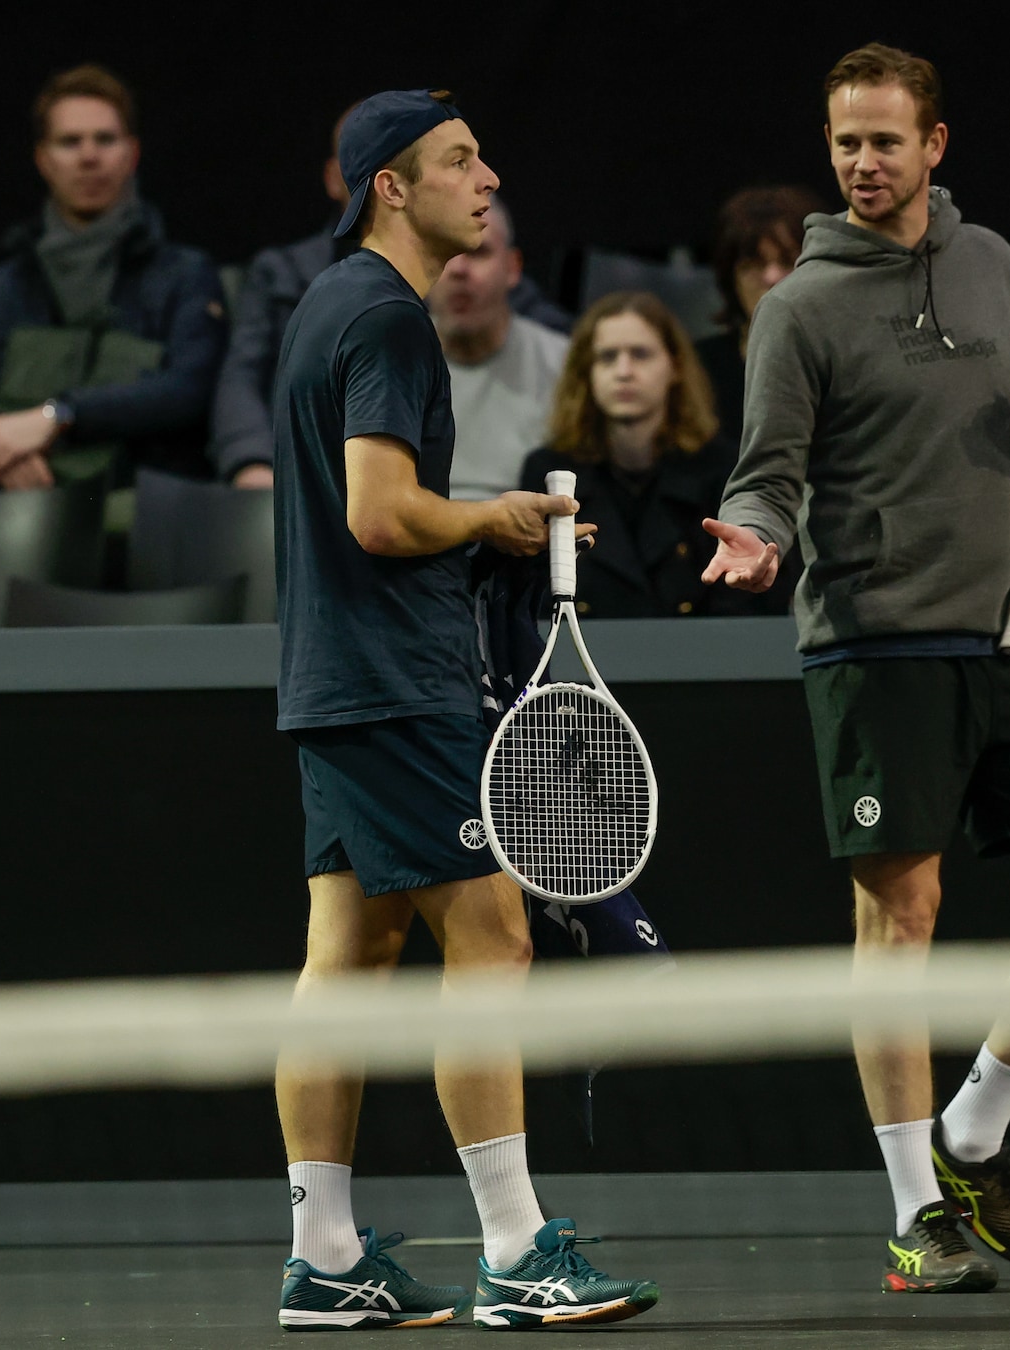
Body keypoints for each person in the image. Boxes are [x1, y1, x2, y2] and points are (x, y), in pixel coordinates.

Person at [702, 44, 1010, 1293]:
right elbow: (767, 471)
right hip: (874, 642)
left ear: (934, 146)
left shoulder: (997, 263)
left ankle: (971, 1133)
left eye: (886, 140)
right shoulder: (798, 306)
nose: (862, 162)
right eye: (845, 140)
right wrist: (756, 535)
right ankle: (917, 1211)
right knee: (900, 924)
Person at [270, 88, 657, 1331]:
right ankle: (514, 1249)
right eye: (458, 160)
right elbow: (380, 516)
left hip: (334, 681)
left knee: (352, 954)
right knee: (492, 938)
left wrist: (492, 518)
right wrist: (492, 519)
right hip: (394, 685)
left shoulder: (328, 306)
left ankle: (326, 1260)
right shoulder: (386, 318)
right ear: (391, 184)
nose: (486, 177)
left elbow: (380, 507)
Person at [211, 108, 571, 490]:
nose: (390, 186)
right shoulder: (292, 278)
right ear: (335, 179)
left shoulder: (510, 308)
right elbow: (242, 381)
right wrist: (254, 461)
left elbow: (544, 330)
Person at [0, 65, 227, 489]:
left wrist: (59, 416)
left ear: (132, 153)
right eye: (70, 142)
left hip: (144, 518)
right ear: (43, 160)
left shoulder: (185, 275)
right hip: (19, 514)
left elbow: (190, 392)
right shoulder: (0, 291)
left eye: (105, 139)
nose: (89, 156)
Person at [521, 290, 788, 616]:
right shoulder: (550, 473)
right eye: (607, 357)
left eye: (640, 354)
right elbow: (532, 602)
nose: (623, 371)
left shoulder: (722, 469)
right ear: (586, 373)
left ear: (675, 366)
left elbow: (743, 605)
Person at [432, 196, 570, 499]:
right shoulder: (386, 361)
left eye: (477, 252)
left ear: (512, 267)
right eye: (445, 253)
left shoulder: (565, 366)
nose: (458, 269)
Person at [696, 185, 828, 448]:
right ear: (730, 277)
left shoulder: (855, 362)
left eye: (788, 261)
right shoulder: (697, 369)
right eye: (753, 265)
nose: (771, 278)